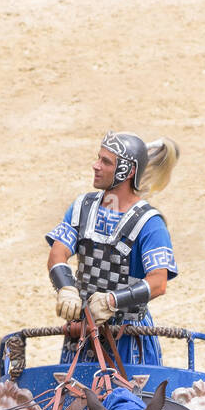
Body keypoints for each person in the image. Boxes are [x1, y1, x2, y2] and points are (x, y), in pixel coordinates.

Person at [46, 131, 179, 366]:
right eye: (99, 158)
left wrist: (111, 301)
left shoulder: (149, 222)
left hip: (128, 339)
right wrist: (66, 288)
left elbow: (158, 281)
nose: (95, 166)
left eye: (105, 162)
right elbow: (58, 253)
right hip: (81, 333)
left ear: (127, 172)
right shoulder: (82, 208)